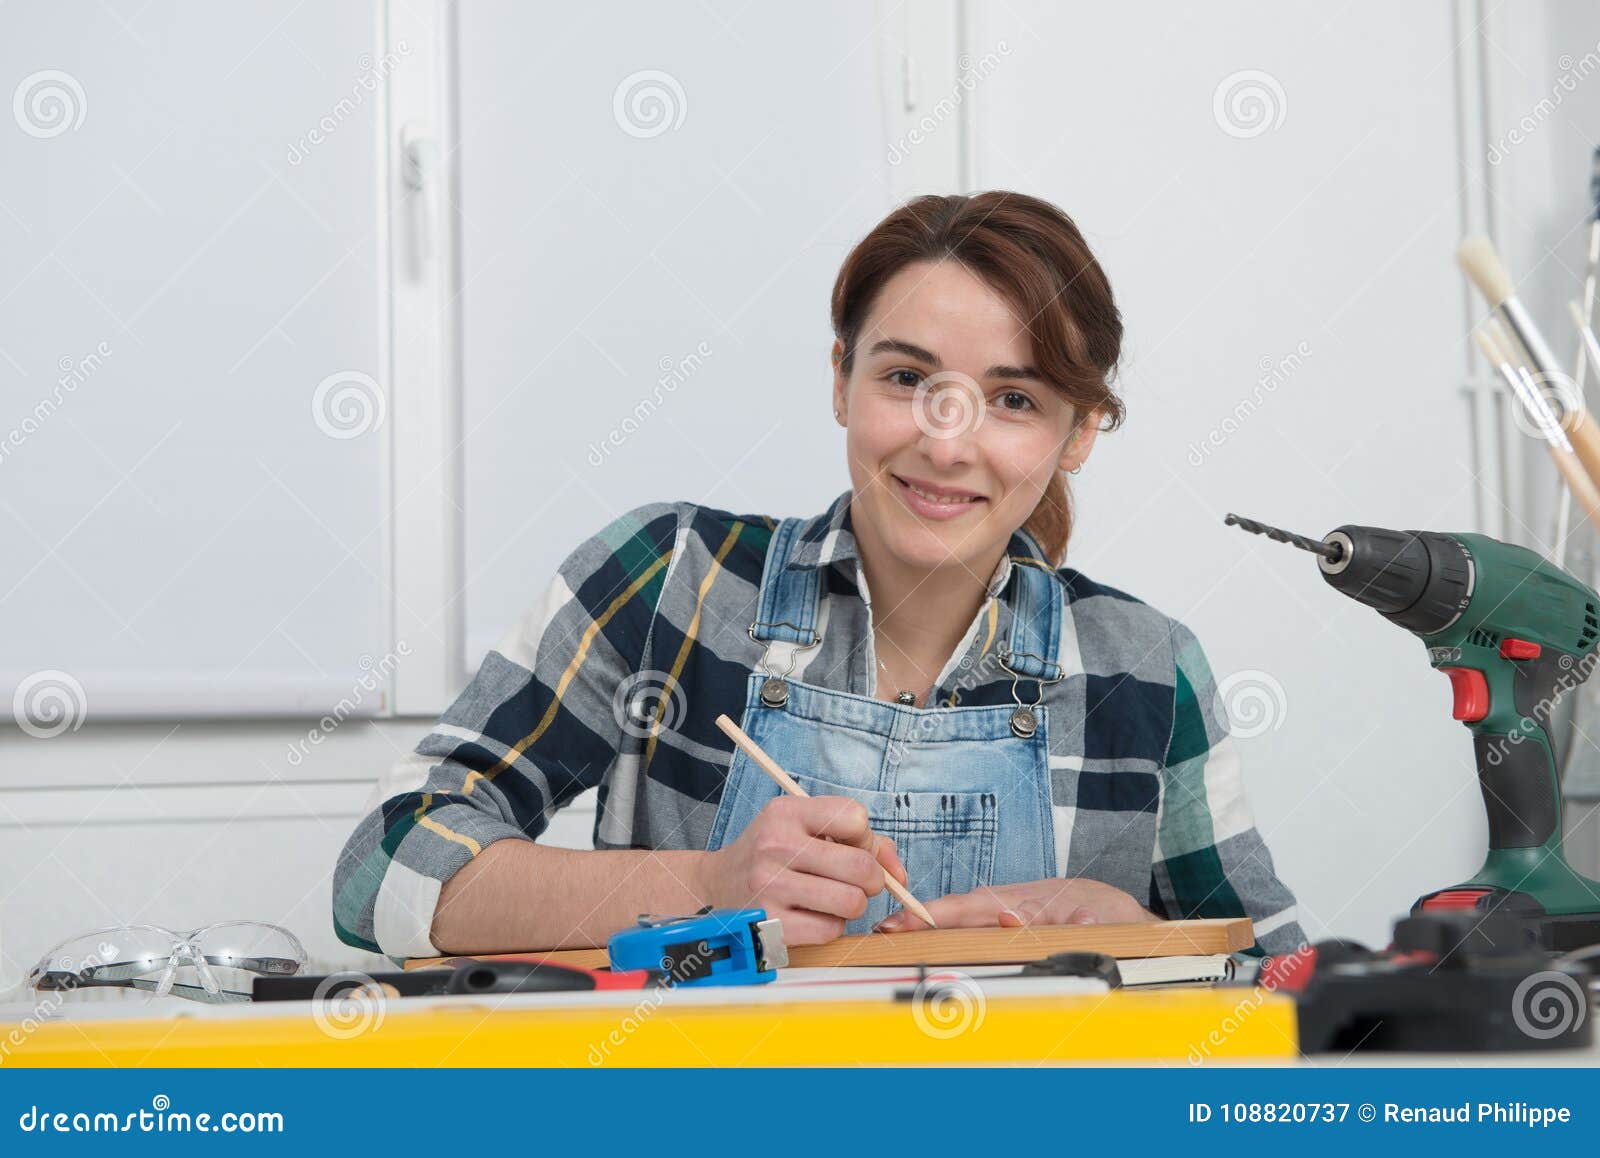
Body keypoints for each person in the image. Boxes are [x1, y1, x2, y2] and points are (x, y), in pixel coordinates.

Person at [332, 191, 1305, 960]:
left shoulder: (1147, 668)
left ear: (1080, 432)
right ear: (840, 378)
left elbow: (1285, 997)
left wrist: (1133, 934)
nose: (946, 443)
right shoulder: (669, 584)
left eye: (1012, 398)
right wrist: (705, 887)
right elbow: (379, 868)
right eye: (906, 379)